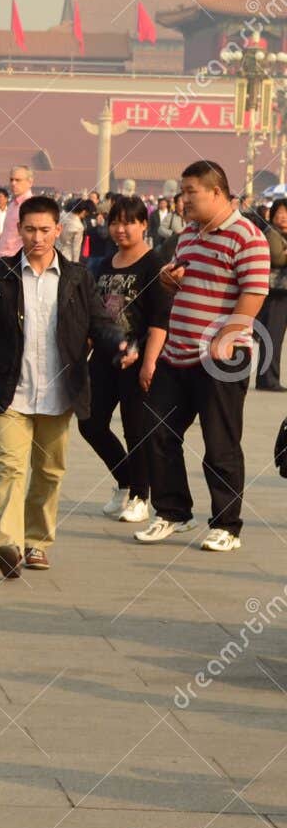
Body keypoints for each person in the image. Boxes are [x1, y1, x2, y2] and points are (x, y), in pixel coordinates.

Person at [0, 195, 129, 578]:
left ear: (57, 230)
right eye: (30, 229)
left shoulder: (77, 277)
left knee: (49, 472)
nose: (37, 237)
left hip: (59, 392)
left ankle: (36, 542)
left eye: (45, 230)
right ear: (19, 230)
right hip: (10, 391)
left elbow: (99, 322)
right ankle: (8, 544)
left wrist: (119, 345)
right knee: (10, 469)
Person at [135, 160, 268, 551]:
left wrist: (225, 337)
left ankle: (227, 525)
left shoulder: (247, 236)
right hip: (177, 353)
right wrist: (169, 279)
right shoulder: (189, 234)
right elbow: (185, 280)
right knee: (156, 430)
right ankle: (173, 512)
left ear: (217, 192)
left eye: (191, 191)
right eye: (183, 191)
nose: (184, 199)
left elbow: (254, 293)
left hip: (222, 358)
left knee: (219, 443)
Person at [81, 195, 171, 525]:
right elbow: (95, 313)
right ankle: (124, 481)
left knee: (136, 428)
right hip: (104, 357)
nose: (121, 229)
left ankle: (140, 497)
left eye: (129, 222)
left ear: (144, 224)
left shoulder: (154, 264)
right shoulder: (105, 264)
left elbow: (161, 318)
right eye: (115, 222)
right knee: (90, 422)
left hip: (139, 358)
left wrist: (148, 360)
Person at [253, 198, 287, 391]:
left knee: (276, 336)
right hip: (275, 292)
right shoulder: (272, 234)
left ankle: (269, 378)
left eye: (286, 213)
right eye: (279, 213)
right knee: (272, 336)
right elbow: (278, 258)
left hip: (282, 292)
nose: (283, 217)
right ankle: (267, 379)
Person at [0, 166, 34, 257]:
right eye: (11, 180)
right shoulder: (12, 205)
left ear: (30, 182)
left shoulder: (32, 206)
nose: (13, 183)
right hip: (3, 258)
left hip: (17, 260)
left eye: (18, 180)